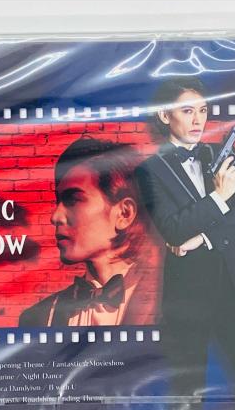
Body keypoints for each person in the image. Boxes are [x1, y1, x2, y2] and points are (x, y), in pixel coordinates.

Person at [134, 76, 235, 410]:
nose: (198, 120)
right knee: (187, 391)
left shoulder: (223, 155)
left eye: (203, 111)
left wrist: (204, 239)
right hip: (188, 293)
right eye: (187, 111)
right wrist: (219, 198)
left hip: (233, 284)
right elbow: (173, 228)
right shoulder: (149, 171)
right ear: (165, 116)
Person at [19, 137, 158, 327]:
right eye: (58, 201)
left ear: (124, 213)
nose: (55, 216)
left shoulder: (169, 298)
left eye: (73, 200)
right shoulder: (37, 318)